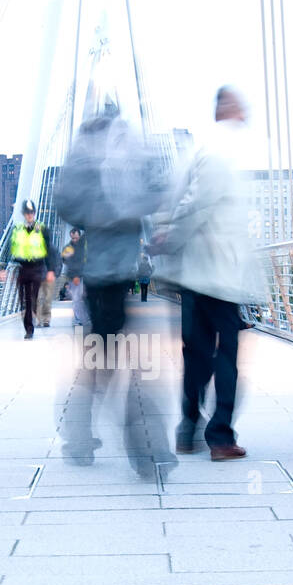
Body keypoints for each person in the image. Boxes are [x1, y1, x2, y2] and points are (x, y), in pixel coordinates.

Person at [151, 86, 266, 462]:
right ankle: (220, 437)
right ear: (227, 109)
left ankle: (188, 426)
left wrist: (171, 240)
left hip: (195, 273)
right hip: (217, 270)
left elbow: (179, 198)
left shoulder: (199, 148)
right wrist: (170, 237)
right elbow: (196, 203)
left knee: (196, 352)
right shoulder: (219, 150)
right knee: (225, 356)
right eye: (241, 106)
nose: (246, 114)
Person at [54, 99, 169, 473]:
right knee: (122, 357)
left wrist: (127, 198)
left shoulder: (118, 150)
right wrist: (113, 207)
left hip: (122, 270)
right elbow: (67, 202)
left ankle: (83, 436)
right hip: (104, 272)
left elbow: (155, 189)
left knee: (108, 357)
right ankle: (145, 451)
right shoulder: (88, 154)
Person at [0, 199, 55, 339]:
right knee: (24, 300)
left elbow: (49, 250)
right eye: (27, 212)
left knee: (33, 298)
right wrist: (2, 268)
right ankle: (29, 329)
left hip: (38, 267)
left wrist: (51, 270)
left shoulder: (42, 229)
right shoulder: (16, 229)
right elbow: (7, 249)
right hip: (22, 268)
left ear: (35, 213)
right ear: (24, 214)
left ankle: (34, 314)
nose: (29, 215)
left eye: (31, 212)